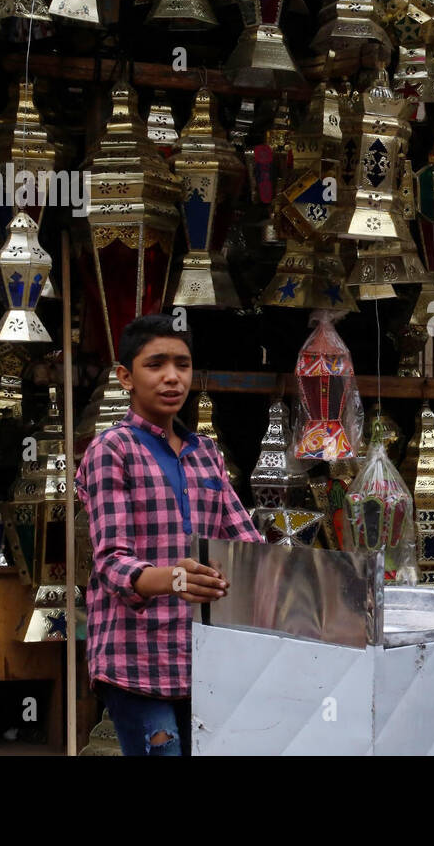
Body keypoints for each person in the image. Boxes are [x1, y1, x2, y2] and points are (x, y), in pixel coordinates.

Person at [75, 314, 263, 756]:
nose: (172, 377)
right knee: (163, 750)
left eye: (182, 364)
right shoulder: (111, 450)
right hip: (135, 653)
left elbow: (246, 546)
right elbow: (112, 561)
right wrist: (175, 579)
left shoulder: (207, 454)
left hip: (200, 654)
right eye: (155, 364)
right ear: (126, 377)